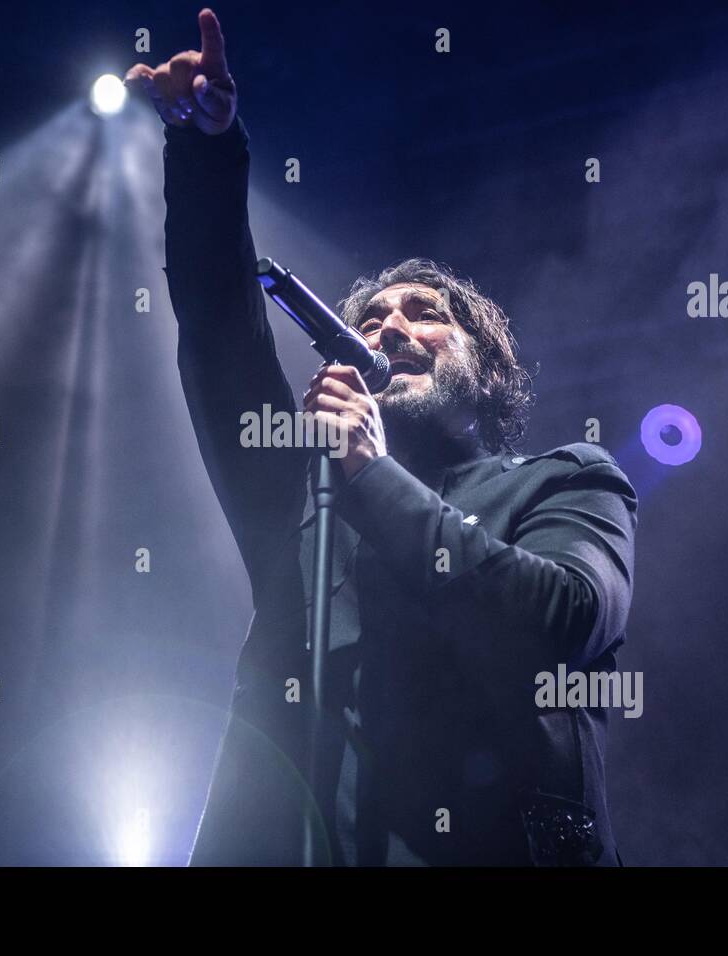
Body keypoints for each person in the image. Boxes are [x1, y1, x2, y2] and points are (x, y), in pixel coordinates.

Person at [126, 8, 639, 866]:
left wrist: (370, 472)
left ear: (489, 367)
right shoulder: (298, 495)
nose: (391, 327)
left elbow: (565, 622)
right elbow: (218, 326)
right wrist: (207, 149)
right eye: (371, 317)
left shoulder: (566, 480)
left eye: (425, 314)